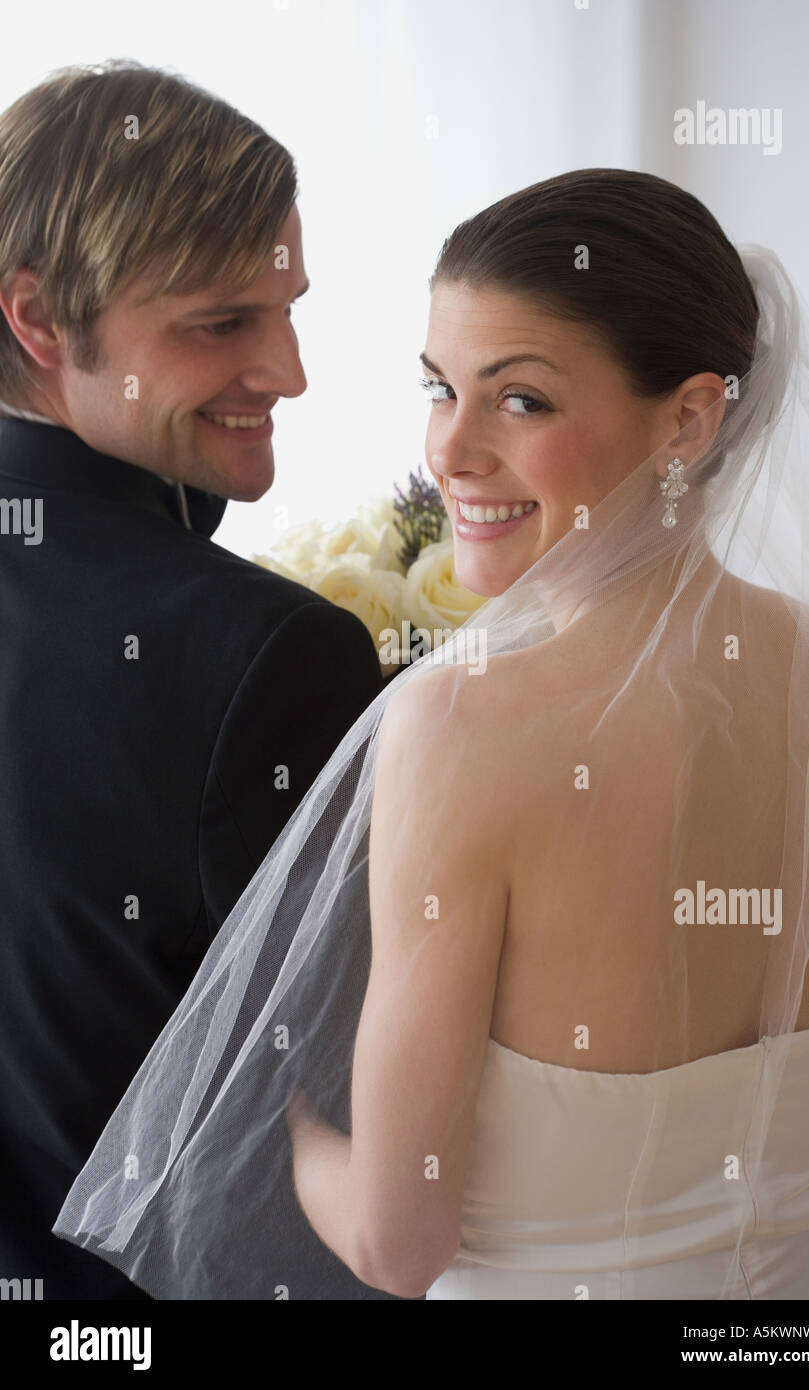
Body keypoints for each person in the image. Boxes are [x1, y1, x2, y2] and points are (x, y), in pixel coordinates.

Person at [54, 170, 809, 1300]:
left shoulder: (461, 722)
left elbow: (397, 1241)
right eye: (439, 389)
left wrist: (286, 1128)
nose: (450, 452)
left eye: (519, 400)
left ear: (687, 418)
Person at [0, 61, 388, 1301]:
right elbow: (347, 1109)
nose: (287, 372)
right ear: (43, 321)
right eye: (221, 323)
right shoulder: (269, 652)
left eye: (287, 309)